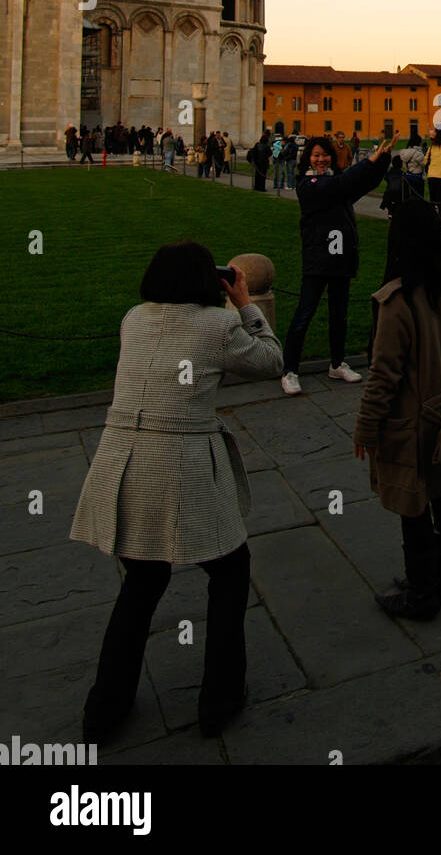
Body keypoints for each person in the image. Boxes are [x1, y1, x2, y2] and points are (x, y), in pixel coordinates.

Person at [70, 243, 283, 742]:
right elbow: (272, 361)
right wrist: (246, 303)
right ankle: (220, 699)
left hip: (124, 456)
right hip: (182, 461)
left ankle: (105, 708)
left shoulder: (133, 320)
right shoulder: (219, 326)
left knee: (142, 583)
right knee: (229, 572)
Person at [353, 201, 441, 620]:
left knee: (414, 508)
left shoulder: (397, 302)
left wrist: (365, 428)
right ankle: (439, 580)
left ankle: (422, 594)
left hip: (411, 420)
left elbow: (383, 376)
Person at [280, 134, 396, 395]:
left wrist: (382, 160)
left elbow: (361, 184)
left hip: (341, 257)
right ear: (308, 158)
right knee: (304, 315)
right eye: (316, 155)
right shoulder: (307, 184)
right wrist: (371, 160)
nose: (321, 160)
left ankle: (337, 363)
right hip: (317, 258)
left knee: (339, 314)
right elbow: (345, 183)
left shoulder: (337, 183)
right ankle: (289, 370)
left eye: (325, 155)